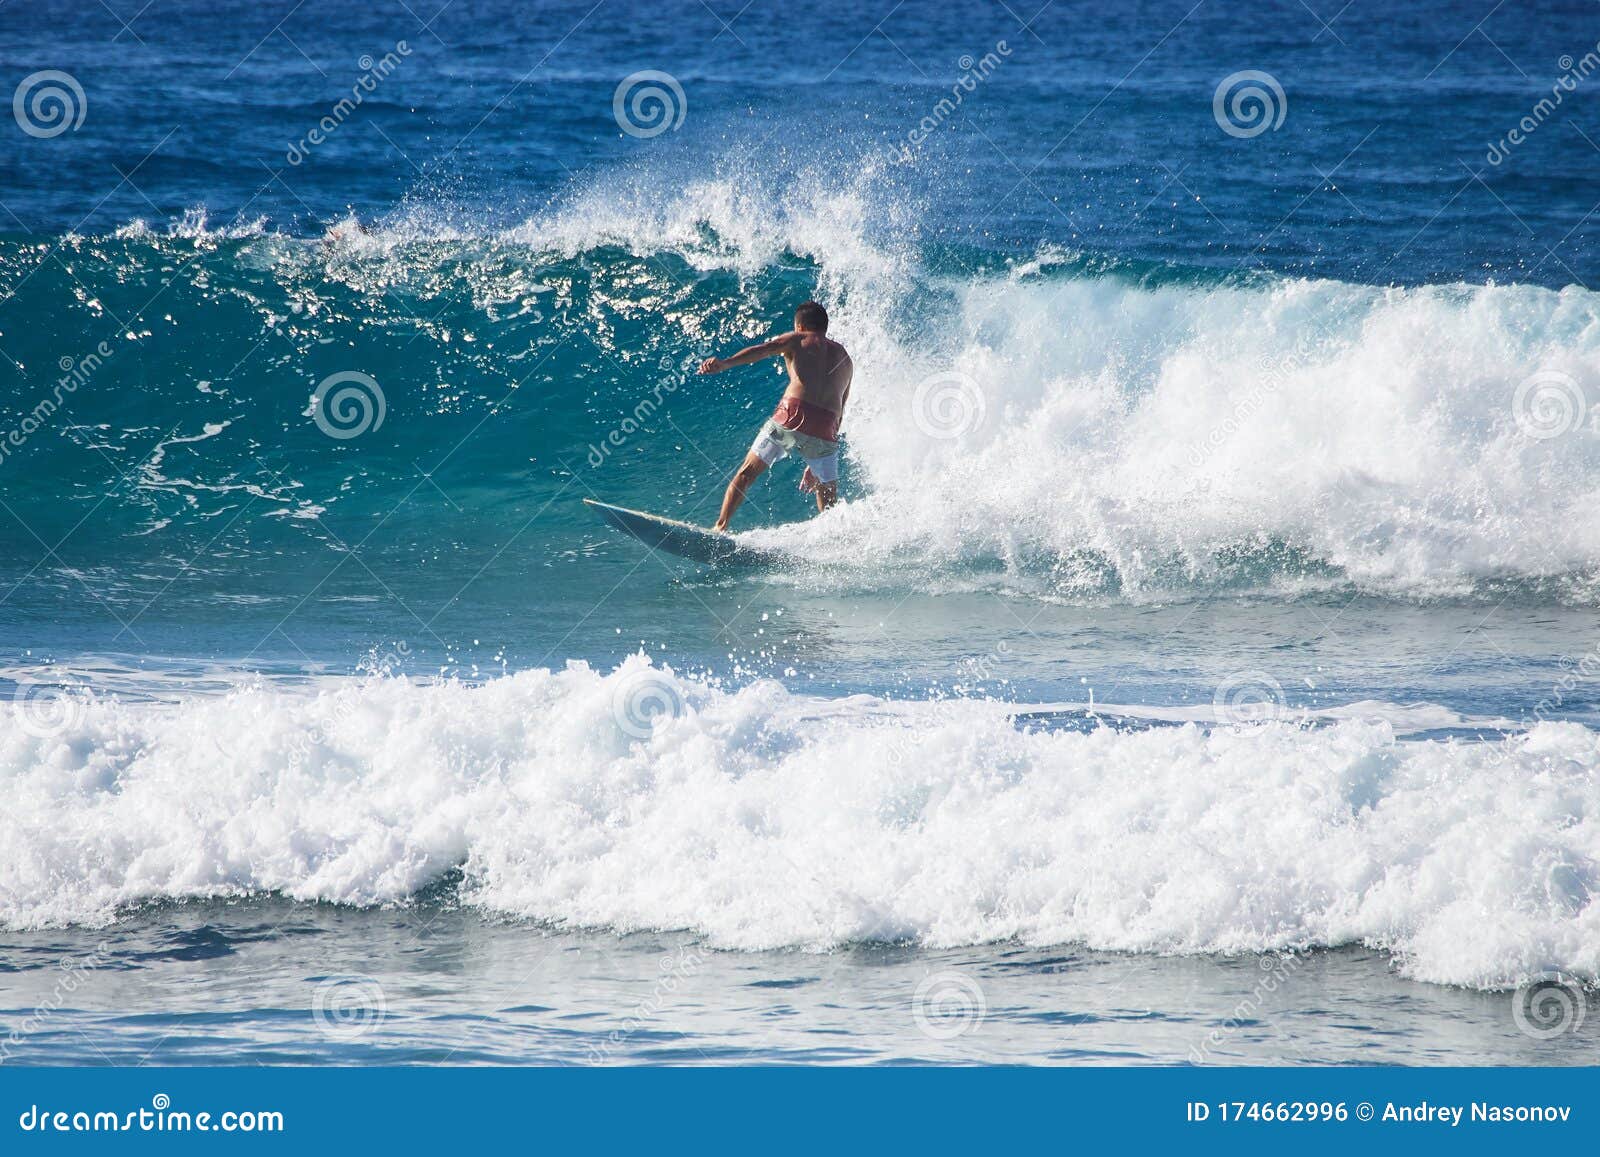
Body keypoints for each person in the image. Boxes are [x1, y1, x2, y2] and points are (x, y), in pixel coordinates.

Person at [698, 300, 853, 532]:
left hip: (792, 414)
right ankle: (835, 540)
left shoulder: (798, 339)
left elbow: (763, 350)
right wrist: (816, 460)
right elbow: (841, 405)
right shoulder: (845, 359)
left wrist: (725, 363)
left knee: (747, 472)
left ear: (800, 325)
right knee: (828, 498)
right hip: (827, 428)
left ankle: (721, 526)